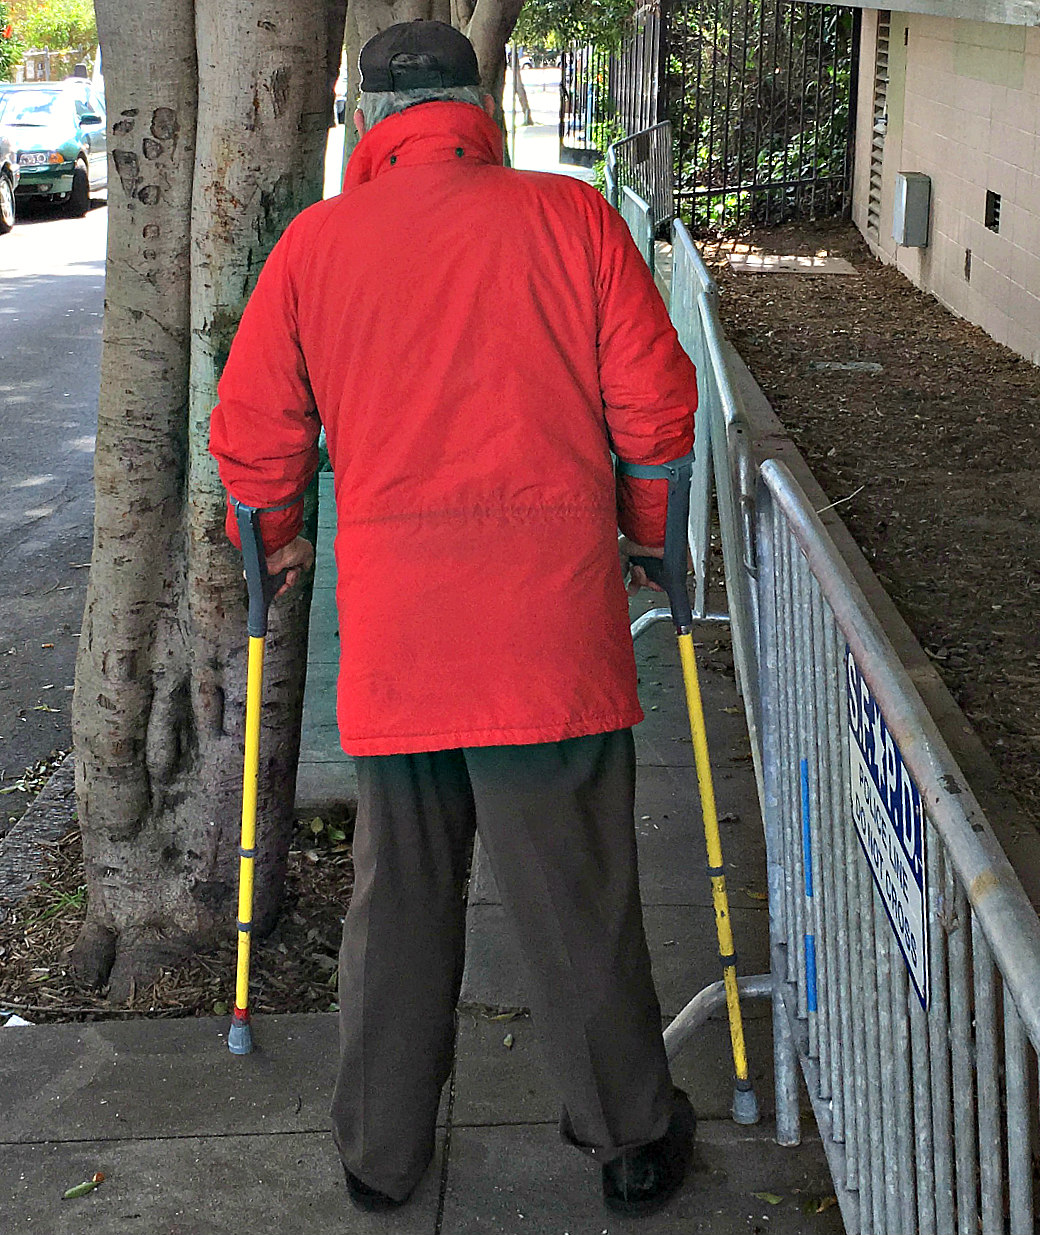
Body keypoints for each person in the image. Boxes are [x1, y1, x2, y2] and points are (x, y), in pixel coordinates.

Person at [209, 19, 699, 1217]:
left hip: (402, 644)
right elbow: (656, 409)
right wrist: (645, 535)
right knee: (577, 891)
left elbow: (253, 441)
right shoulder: (572, 219)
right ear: (477, 105)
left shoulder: (315, 247)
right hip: (548, 635)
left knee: (401, 898)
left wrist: (267, 554)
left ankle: (381, 1154)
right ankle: (629, 1137)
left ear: (367, 117)